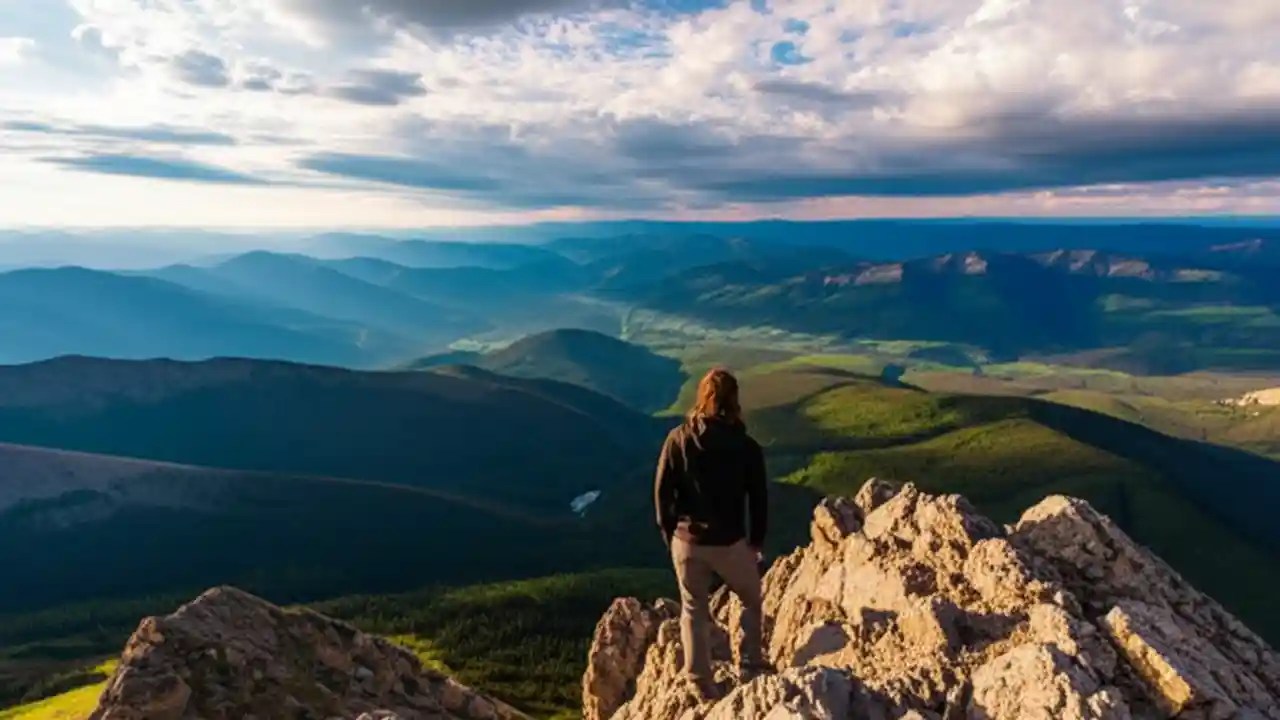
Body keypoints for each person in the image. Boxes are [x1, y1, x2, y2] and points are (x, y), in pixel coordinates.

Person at [653, 367, 770, 698]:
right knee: (750, 598)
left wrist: (671, 535)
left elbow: (662, 495)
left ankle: (699, 681)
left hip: (686, 541)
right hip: (730, 542)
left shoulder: (678, 438)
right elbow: (758, 499)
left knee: (693, 609)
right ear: (734, 400)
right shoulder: (746, 447)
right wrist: (756, 544)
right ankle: (749, 666)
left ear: (702, 397)